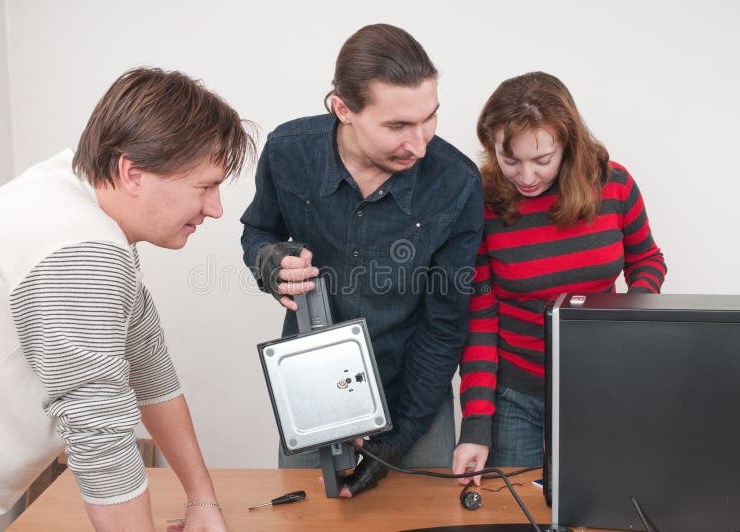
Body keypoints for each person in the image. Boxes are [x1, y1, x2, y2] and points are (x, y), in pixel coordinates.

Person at [0, 67, 254, 531]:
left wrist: (201, 502)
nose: (216, 208)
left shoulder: (79, 206)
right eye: (205, 186)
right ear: (132, 173)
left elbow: (148, 366)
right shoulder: (78, 247)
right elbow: (99, 436)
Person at [241, 23, 484, 497]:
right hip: (311, 392)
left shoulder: (458, 183)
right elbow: (259, 231)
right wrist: (268, 263)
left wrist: (399, 440)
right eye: (397, 126)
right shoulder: (287, 151)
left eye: (429, 117)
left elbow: (446, 323)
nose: (420, 144)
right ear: (343, 108)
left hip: (417, 396)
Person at [453, 71, 667, 484]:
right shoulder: (480, 202)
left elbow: (647, 259)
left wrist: (625, 320)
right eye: (509, 159)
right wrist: (476, 427)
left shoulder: (615, 185)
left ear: (567, 144)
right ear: (490, 145)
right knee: (516, 514)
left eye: (542, 160)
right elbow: (479, 318)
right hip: (515, 396)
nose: (526, 177)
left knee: (602, 502)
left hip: (602, 384)